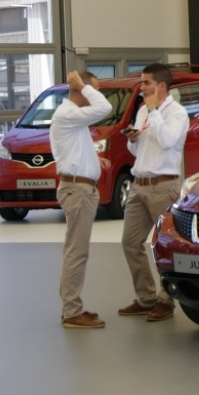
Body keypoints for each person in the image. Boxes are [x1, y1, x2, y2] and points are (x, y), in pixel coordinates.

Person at [118, 63, 189, 321]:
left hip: (163, 186)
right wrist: (133, 139)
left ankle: (165, 300)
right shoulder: (142, 111)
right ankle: (146, 297)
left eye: (146, 82)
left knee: (164, 245)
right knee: (129, 242)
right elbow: (138, 151)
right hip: (139, 185)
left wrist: (153, 111)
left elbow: (168, 141)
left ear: (161, 86)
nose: (142, 87)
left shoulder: (177, 113)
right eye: (142, 82)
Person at [50, 70, 113, 328]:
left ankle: (72, 308)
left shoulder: (72, 119)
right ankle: (72, 311)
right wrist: (83, 86)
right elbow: (105, 108)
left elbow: (71, 149)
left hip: (79, 188)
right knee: (77, 252)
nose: (95, 95)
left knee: (76, 251)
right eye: (92, 90)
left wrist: (92, 160)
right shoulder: (68, 114)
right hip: (78, 191)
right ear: (79, 89)